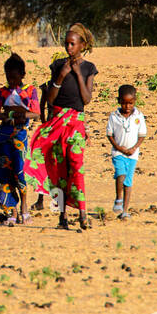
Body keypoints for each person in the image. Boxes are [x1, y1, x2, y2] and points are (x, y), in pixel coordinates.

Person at [28, 23, 98, 230]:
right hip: (57, 121)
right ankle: (61, 217)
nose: (68, 48)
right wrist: (60, 76)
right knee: (57, 170)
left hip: (75, 123)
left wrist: (76, 74)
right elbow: (50, 98)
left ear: (81, 45)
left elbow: (86, 100)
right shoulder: (58, 66)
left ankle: (83, 214)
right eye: (66, 44)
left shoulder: (88, 68)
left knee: (76, 166)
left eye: (72, 44)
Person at [0, 53, 39, 225]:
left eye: (14, 77)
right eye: (8, 77)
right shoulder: (3, 92)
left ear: (22, 75)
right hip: (4, 135)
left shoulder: (30, 91)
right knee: (1, 171)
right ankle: (11, 209)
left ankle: (24, 207)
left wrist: (19, 114)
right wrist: (6, 117)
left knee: (20, 172)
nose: (12, 81)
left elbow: (35, 113)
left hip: (20, 135)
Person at [107, 84, 147, 219]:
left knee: (128, 182)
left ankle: (125, 210)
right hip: (118, 152)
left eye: (130, 103)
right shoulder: (113, 116)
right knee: (120, 174)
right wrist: (119, 148)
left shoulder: (139, 116)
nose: (127, 106)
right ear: (119, 101)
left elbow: (142, 135)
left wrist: (134, 148)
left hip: (132, 154)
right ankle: (118, 198)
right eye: (124, 103)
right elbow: (109, 134)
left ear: (135, 101)